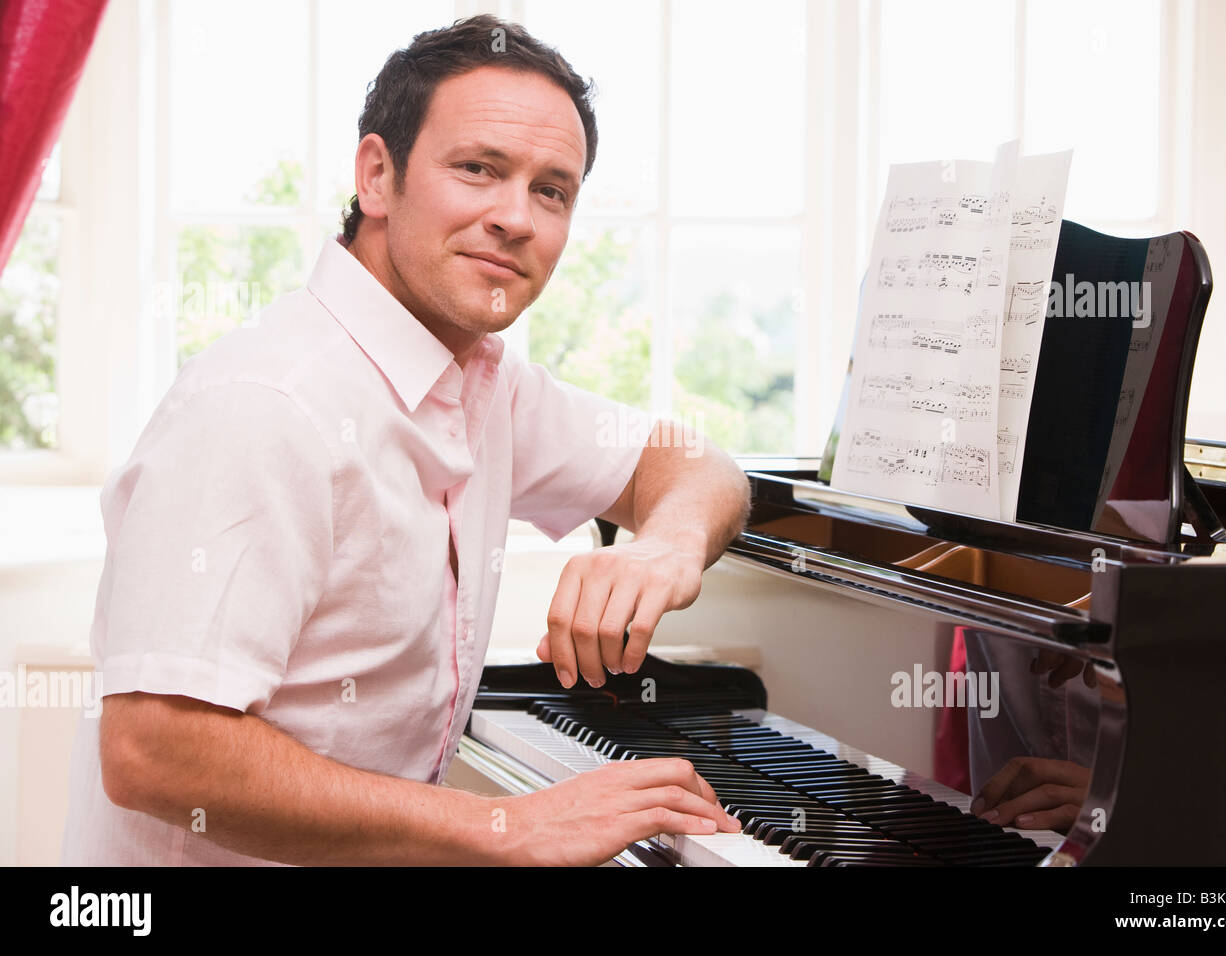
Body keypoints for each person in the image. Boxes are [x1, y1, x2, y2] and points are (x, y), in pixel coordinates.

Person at [60, 14, 751, 867]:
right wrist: (510, 825)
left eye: (552, 191)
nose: (516, 218)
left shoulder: (477, 380)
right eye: (478, 170)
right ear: (377, 176)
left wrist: (665, 550)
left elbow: (688, 458)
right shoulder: (263, 406)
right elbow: (153, 751)